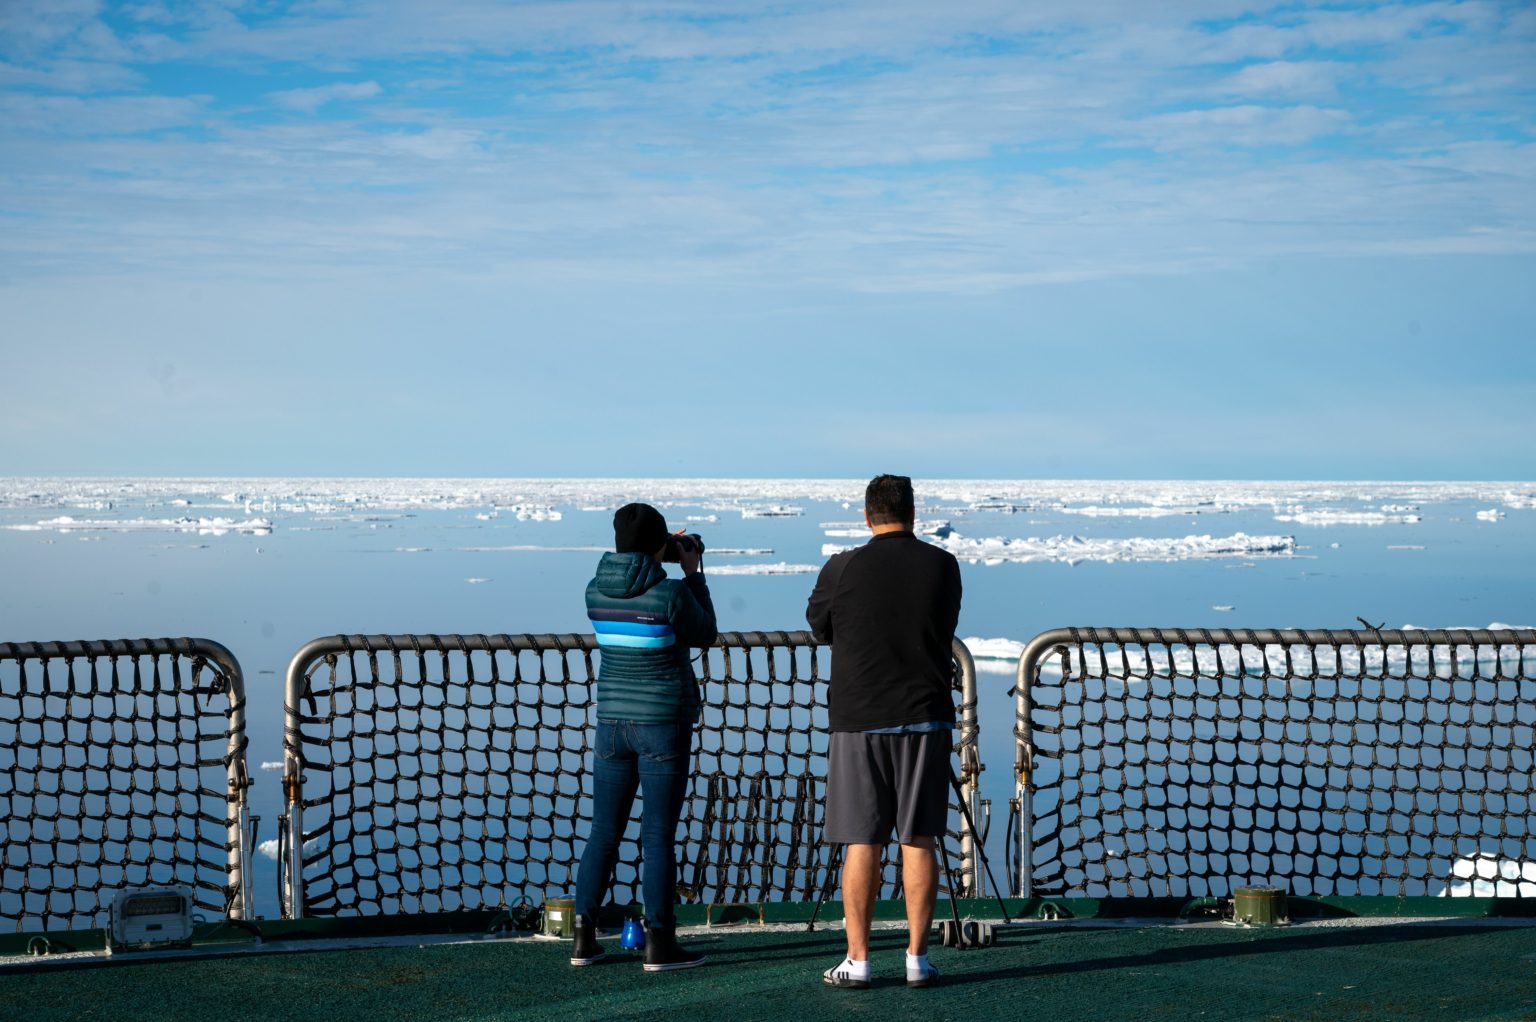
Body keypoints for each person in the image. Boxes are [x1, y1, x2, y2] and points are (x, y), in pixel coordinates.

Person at [806, 474, 962, 990]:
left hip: (859, 719)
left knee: (862, 841)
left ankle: (859, 959)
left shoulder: (842, 565)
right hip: (926, 715)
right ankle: (918, 959)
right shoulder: (943, 565)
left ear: (867, 516)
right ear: (913, 514)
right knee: (919, 839)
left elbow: (819, 623)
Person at [571, 502, 716, 971]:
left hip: (610, 724)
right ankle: (660, 943)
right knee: (657, 837)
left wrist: (655, 553)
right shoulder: (670, 592)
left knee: (603, 833)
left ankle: (583, 938)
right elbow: (706, 634)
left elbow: (634, 581)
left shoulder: (594, 591)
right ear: (660, 545)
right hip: (662, 724)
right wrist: (692, 570)